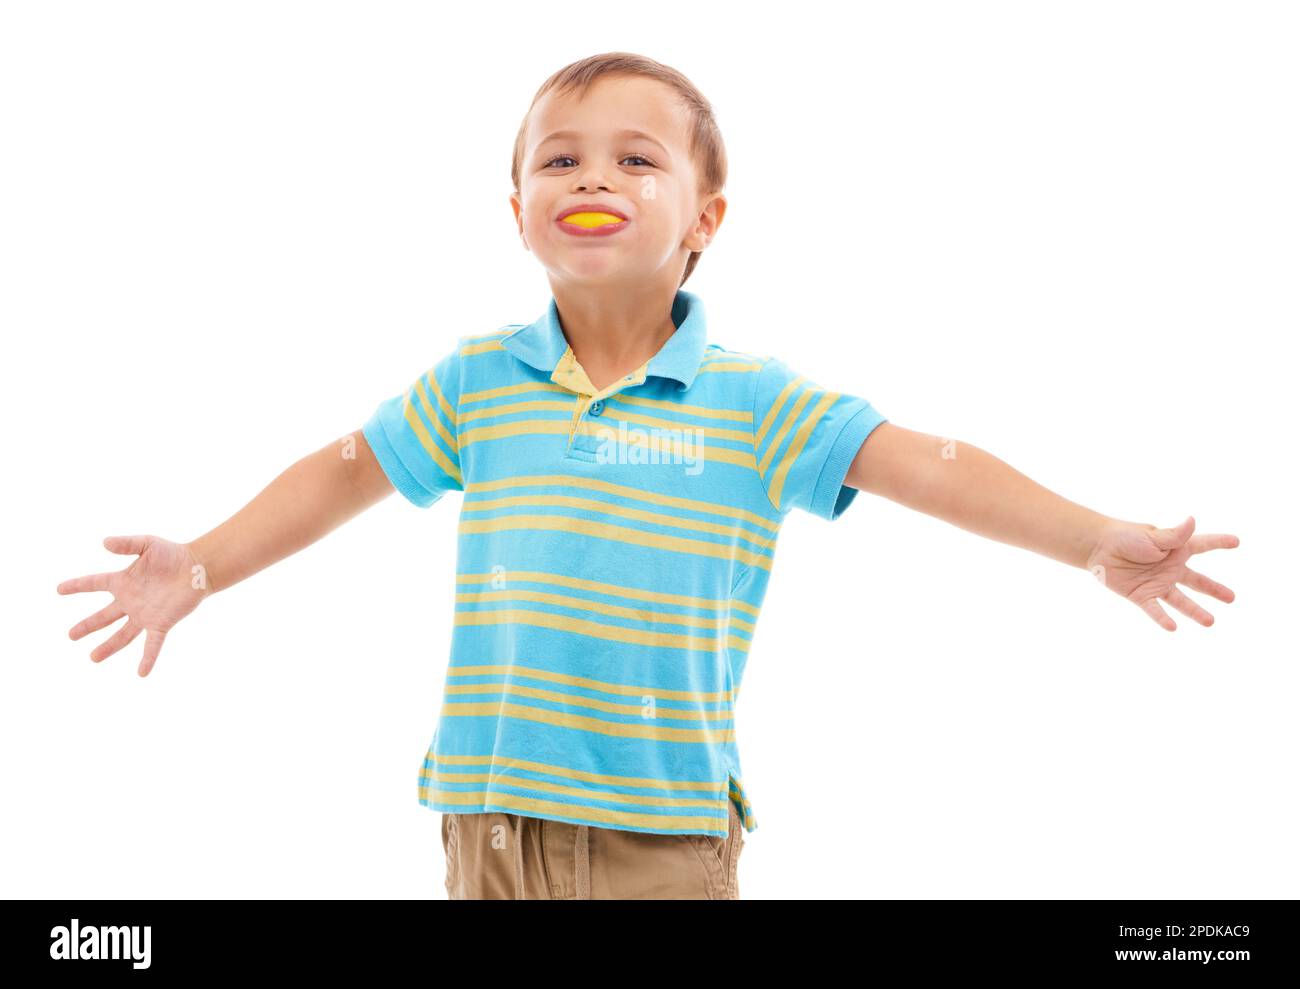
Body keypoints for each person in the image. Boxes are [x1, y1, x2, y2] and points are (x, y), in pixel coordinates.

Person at [56, 52, 1240, 900]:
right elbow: (341, 469)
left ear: (703, 217)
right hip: (489, 824)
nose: (592, 175)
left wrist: (1092, 537)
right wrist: (202, 564)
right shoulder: (476, 381)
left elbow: (931, 463)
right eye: (559, 158)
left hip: (661, 839)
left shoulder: (755, 400)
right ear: (517, 210)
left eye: (636, 158)